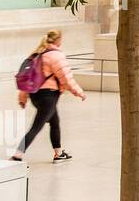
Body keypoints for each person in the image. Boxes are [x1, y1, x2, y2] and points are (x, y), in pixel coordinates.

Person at [10, 29, 86, 162]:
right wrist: (79, 92)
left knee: (55, 122)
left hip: (36, 96)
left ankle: (59, 153)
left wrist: (22, 98)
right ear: (58, 40)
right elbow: (66, 78)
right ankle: (18, 154)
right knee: (36, 127)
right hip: (49, 97)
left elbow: (29, 79)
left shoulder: (37, 54)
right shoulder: (56, 56)